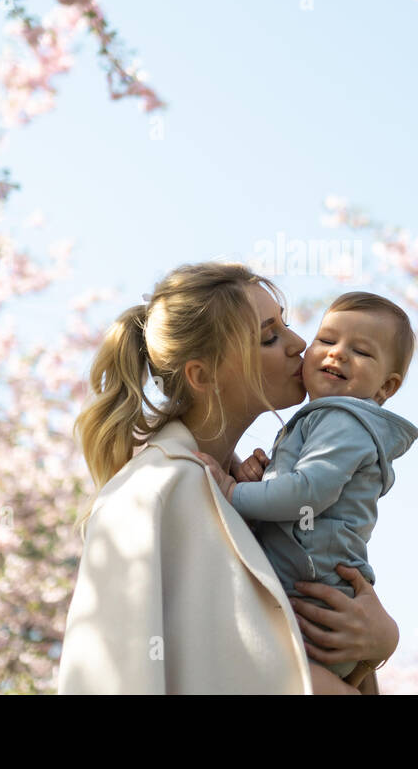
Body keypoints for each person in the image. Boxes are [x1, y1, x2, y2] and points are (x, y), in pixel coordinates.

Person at [56, 262, 400, 694]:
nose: (299, 344)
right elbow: (111, 676)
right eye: (269, 337)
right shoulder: (148, 495)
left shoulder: (259, 491)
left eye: (287, 326)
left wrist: (378, 642)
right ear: (203, 375)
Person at [203, 292, 418, 687]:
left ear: (386, 386)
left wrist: (234, 494)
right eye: (327, 340)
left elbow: (306, 493)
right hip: (310, 592)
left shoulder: (343, 420)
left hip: (314, 594)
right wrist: (262, 479)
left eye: (361, 351)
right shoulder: (323, 421)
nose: (336, 354)